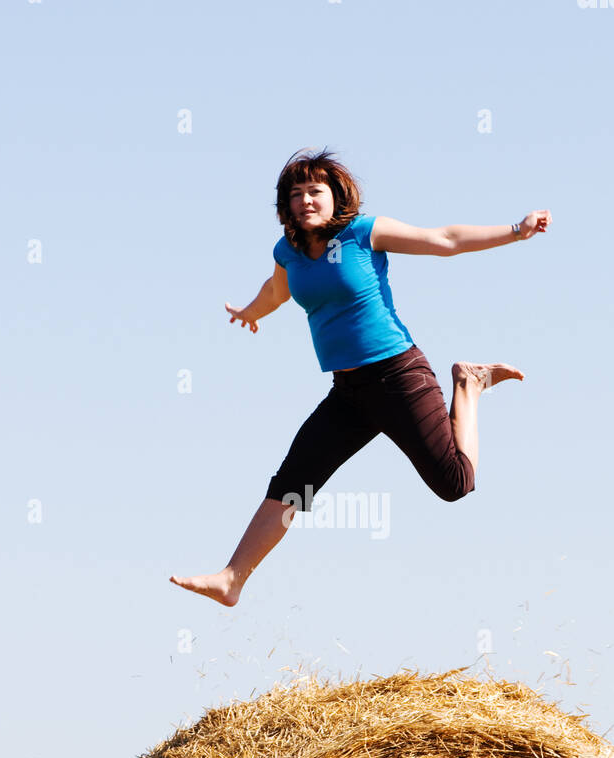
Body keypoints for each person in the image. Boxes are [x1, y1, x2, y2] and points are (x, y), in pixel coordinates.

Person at [171, 147, 551, 606]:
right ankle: (233, 579)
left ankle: (468, 384)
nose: (306, 201)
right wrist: (251, 312)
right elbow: (277, 291)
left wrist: (516, 231)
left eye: (315, 191)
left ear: (336, 197)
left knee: (455, 485)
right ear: (285, 205)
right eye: (296, 194)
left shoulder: (363, 233)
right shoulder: (288, 251)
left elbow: (445, 239)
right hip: (348, 393)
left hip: (399, 376)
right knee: (294, 482)